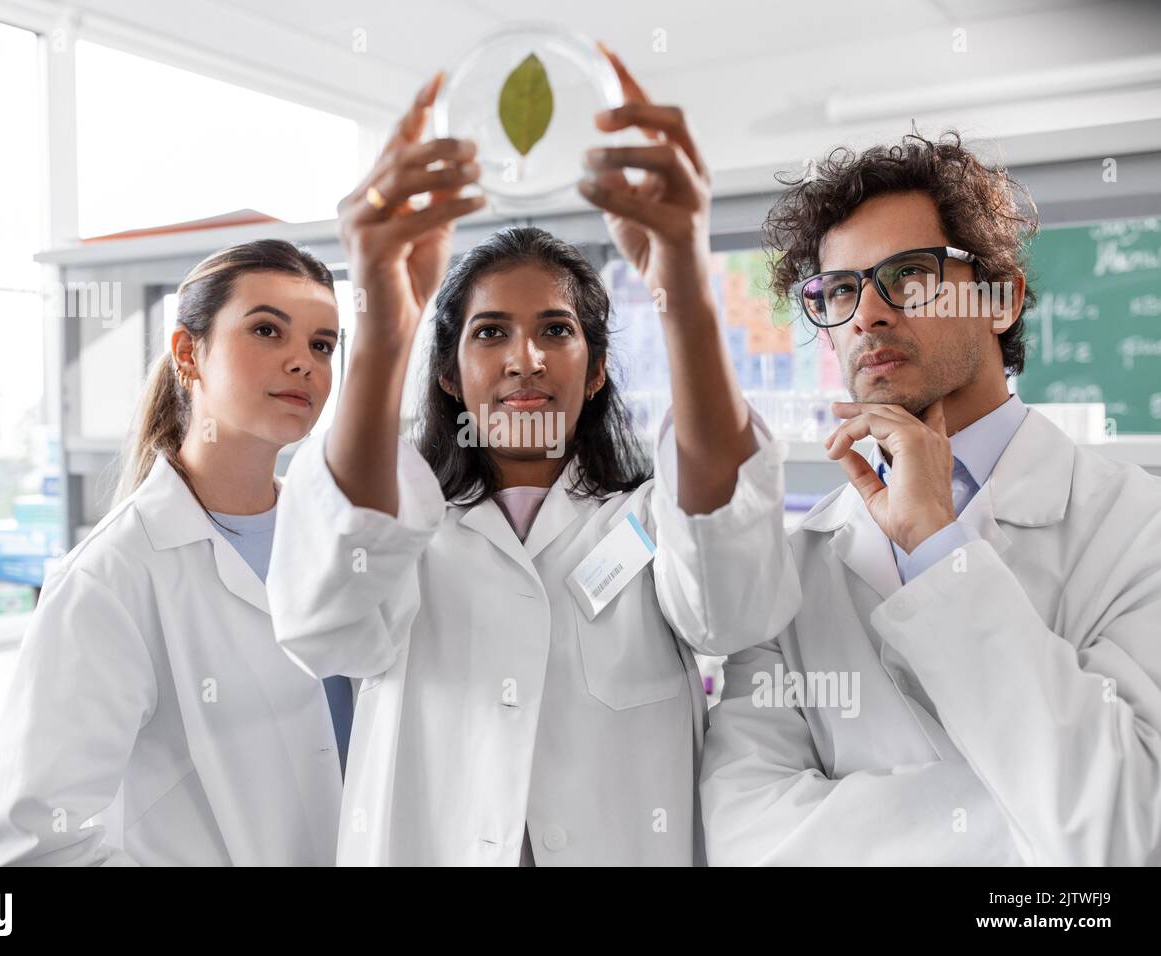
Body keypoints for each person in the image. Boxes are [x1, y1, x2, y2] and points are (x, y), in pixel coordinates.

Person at [267, 50, 798, 865]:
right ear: (448, 372)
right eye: (490, 334)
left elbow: (734, 609)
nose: (527, 358)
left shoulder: (649, 523)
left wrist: (682, 281)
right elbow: (323, 629)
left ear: (596, 372)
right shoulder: (409, 529)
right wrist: (383, 320)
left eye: (557, 330)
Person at [700, 132, 1161, 866]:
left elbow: (1126, 829)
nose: (865, 315)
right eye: (841, 290)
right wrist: (1021, 827)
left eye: (908, 276)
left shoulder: (1138, 530)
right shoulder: (789, 570)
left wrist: (939, 549)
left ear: (1001, 299)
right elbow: (745, 836)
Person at [0, 239, 351, 865]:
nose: (303, 363)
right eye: (266, 331)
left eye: (322, 344)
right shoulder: (112, 575)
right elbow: (29, 847)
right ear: (188, 352)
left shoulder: (336, 542)